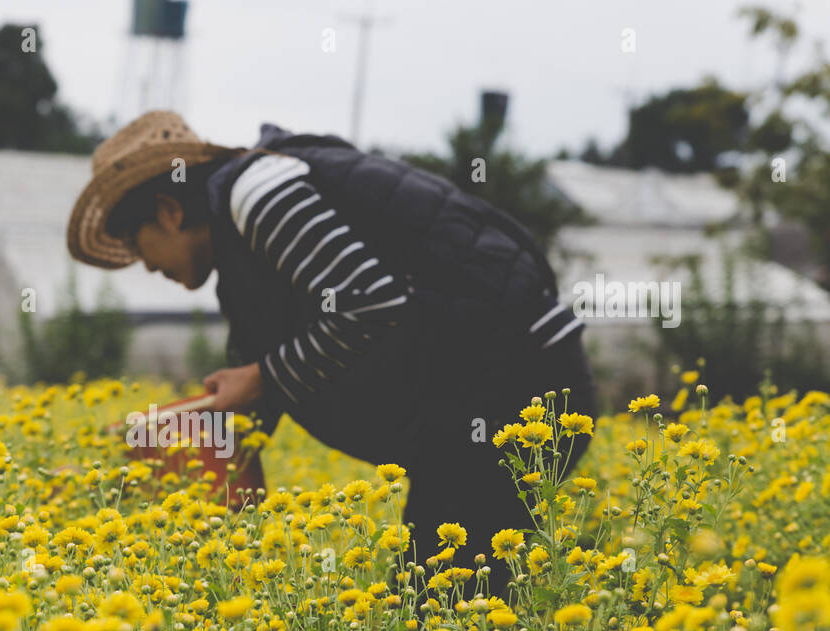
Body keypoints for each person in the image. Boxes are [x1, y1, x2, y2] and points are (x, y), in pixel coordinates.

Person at [66, 110, 596, 597]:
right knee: (441, 600)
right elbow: (256, 399)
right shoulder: (246, 247)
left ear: (168, 209)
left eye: (138, 246)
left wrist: (262, 377)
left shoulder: (259, 194)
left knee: (447, 607)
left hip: (518, 393)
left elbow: (369, 300)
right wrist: (134, 465)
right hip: (478, 405)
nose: (144, 265)